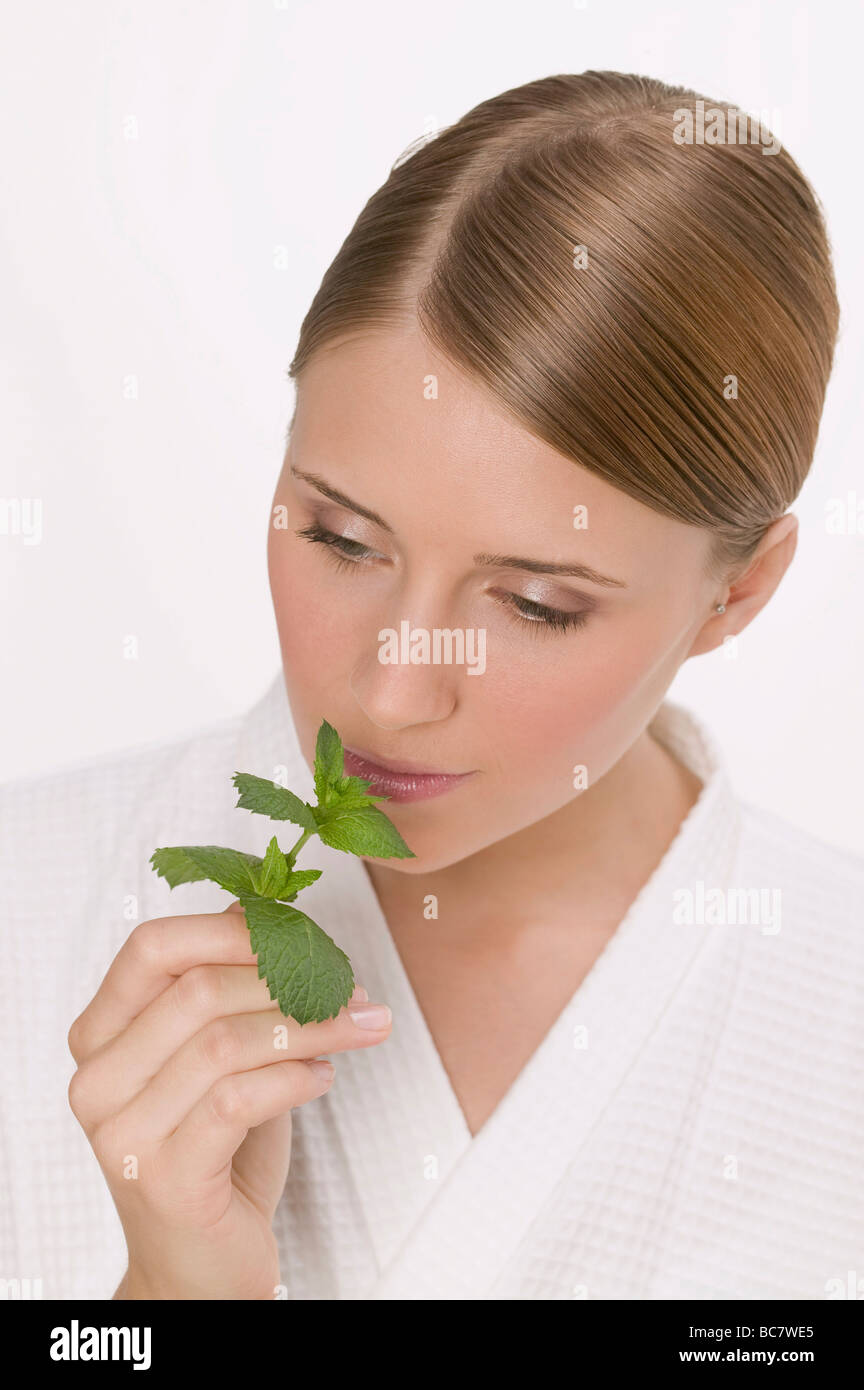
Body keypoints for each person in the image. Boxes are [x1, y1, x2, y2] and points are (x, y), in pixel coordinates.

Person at [2, 70, 861, 1301]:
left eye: (536, 604)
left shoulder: (838, 1008)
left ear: (739, 591)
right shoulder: (23, 903)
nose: (394, 694)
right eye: (342, 540)